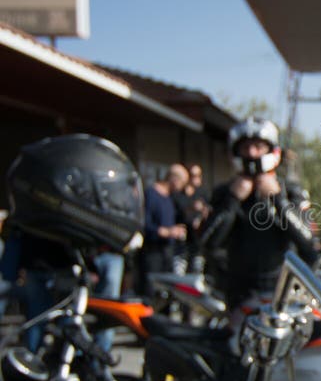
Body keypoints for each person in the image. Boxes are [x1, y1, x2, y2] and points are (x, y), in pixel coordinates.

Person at [3, 134, 145, 352]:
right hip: (52, 268)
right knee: (57, 324)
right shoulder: (58, 205)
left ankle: (40, 363)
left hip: (43, 268)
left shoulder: (37, 200)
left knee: (41, 321)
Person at [200, 118, 317, 311]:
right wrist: (232, 199)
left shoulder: (291, 191)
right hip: (237, 294)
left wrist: (278, 200)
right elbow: (208, 241)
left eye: (258, 146)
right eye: (245, 147)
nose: (252, 153)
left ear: (273, 151)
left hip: (282, 292)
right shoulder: (223, 193)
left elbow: (309, 244)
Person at [140, 164, 187, 296]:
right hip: (153, 251)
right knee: (150, 291)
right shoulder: (151, 194)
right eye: (182, 183)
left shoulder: (170, 198)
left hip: (167, 252)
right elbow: (145, 224)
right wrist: (167, 232)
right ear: (174, 179)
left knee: (166, 293)